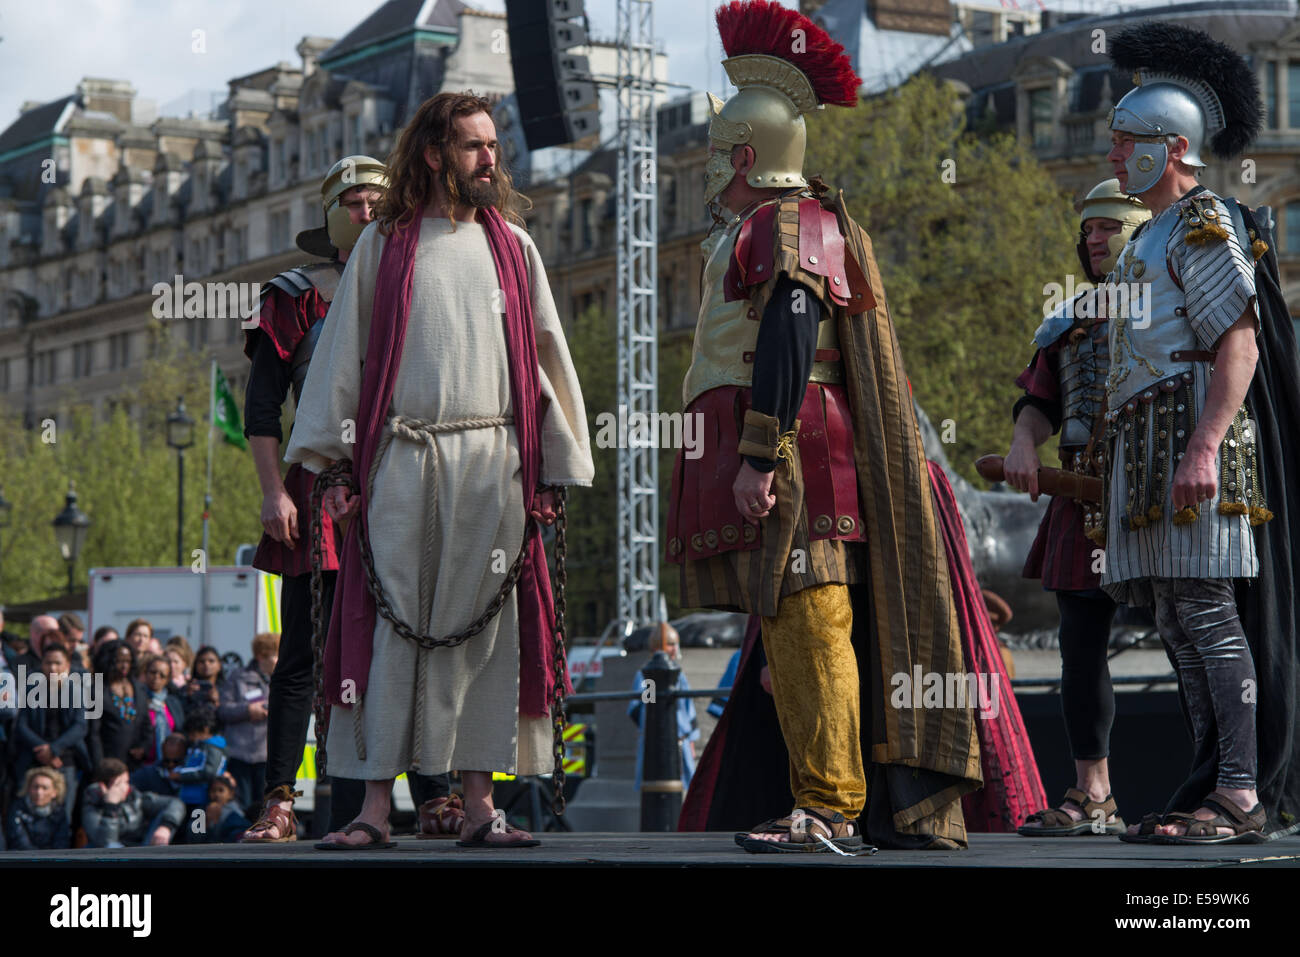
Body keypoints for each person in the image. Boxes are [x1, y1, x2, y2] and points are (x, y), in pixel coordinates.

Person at [666, 0, 981, 853]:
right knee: (797, 625)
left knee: (812, 619)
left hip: (801, 450)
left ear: (744, 155)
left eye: (716, 155)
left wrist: (759, 454)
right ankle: (822, 797)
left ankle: (831, 805)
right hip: (793, 448)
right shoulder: (773, 224)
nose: (709, 170)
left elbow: (790, 337)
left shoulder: (787, 224)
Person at [285, 90, 593, 849]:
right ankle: (371, 810)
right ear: (434, 154)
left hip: (495, 466)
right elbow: (344, 358)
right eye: (473, 146)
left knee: (486, 639)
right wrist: (332, 466)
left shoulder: (514, 250)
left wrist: (552, 468)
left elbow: (547, 359)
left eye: (493, 146)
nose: (490, 158)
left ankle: (482, 808)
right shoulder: (384, 246)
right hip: (401, 461)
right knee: (387, 632)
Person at [1102, 23, 1300, 843]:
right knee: (1179, 621)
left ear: (1173, 146)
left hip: (1190, 437)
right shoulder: (1139, 239)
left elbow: (1239, 341)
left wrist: (1205, 444)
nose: (1115, 158)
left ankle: (1244, 793)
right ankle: (1210, 783)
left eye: (1127, 143)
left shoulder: (1202, 220)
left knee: (1210, 616)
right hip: (1145, 447)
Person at [239, 154, 387, 844]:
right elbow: (263, 407)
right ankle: (279, 801)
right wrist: (274, 491)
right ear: (332, 216)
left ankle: (398, 801)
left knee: (394, 646)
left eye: (377, 202)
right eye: (354, 202)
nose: (367, 213)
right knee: (303, 653)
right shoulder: (297, 293)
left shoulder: (411, 286)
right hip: (316, 483)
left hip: (394, 481)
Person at [1004, 179, 1150, 836]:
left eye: (1106, 228)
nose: (1093, 239)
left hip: (1157, 494)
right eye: (1087, 229)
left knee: (1194, 637)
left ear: (1138, 227)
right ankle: (1095, 795)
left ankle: (1224, 788)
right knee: (1080, 647)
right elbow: (1038, 403)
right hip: (1081, 493)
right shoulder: (1069, 318)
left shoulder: (1172, 307)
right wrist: (1022, 445)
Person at [11, 641, 88, 815]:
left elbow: (80, 726)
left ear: (67, 665)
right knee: (27, 813)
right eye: (48, 663)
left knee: (63, 815)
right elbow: (21, 725)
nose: (53, 668)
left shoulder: (76, 690)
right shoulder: (32, 689)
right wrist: (43, 750)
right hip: (34, 757)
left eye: (57, 663)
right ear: (42, 664)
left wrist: (54, 749)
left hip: (65, 758)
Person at [628, 623, 698, 790]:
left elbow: (688, 710)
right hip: (656, 743)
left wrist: (690, 741)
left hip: (680, 743)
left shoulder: (680, 675)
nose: (674, 649)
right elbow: (647, 710)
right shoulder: (648, 675)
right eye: (670, 644)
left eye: (675, 644)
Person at [219, 633, 276, 810]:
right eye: (276, 655)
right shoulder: (238, 677)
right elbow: (223, 710)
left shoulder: (283, 680)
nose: (279, 660)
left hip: (267, 756)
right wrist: (247, 710)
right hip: (239, 755)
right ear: (261, 656)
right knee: (241, 806)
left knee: (264, 806)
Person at [81, 758, 183, 847]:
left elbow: (175, 803)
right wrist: (111, 807)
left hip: (139, 850)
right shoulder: (93, 801)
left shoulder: (134, 796)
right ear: (110, 785)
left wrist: (166, 826)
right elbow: (106, 844)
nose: (128, 786)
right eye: (124, 782)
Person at [88, 640, 146, 767]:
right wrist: (99, 764)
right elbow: (93, 733)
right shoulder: (96, 690)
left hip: (135, 762)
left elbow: (146, 725)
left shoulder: (139, 688)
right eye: (119, 661)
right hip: (109, 762)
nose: (125, 666)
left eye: (128, 661)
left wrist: (143, 747)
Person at [128, 654, 185, 769]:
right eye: (153, 672)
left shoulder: (173, 702)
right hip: (141, 764)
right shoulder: (136, 698)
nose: (156, 678)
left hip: (169, 765)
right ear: (146, 673)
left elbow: (180, 730)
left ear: (168, 679)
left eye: (162, 675)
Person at [5, 767, 70, 850]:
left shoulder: (60, 812)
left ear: (55, 792)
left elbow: (61, 842)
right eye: (35, 787)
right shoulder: (17, 809)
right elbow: (18, 841)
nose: (39, 792)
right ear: (28, 788)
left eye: (45, 788)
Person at [182, 645, 223, 718]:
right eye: (202, 661)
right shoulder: (187, 689)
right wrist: (187, 697)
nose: (206, 664)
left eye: (211, 661)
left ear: (219, 665)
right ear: (195, 665)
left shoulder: (226, 689)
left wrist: (217, 701)